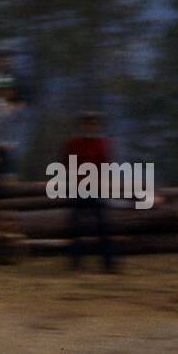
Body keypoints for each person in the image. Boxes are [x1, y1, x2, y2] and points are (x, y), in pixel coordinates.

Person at [64, 112, 116, 272]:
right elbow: (67, 164)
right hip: (78, 187)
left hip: (96, 188)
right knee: (75, 225)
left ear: (97, 126)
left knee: (103, 225)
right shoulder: (73, 143)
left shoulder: (103, 143)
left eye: (93, 124)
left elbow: (106, 165)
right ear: (82, 126)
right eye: (87, 124)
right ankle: (75, 262)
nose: (90, 127)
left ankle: (108, 263)